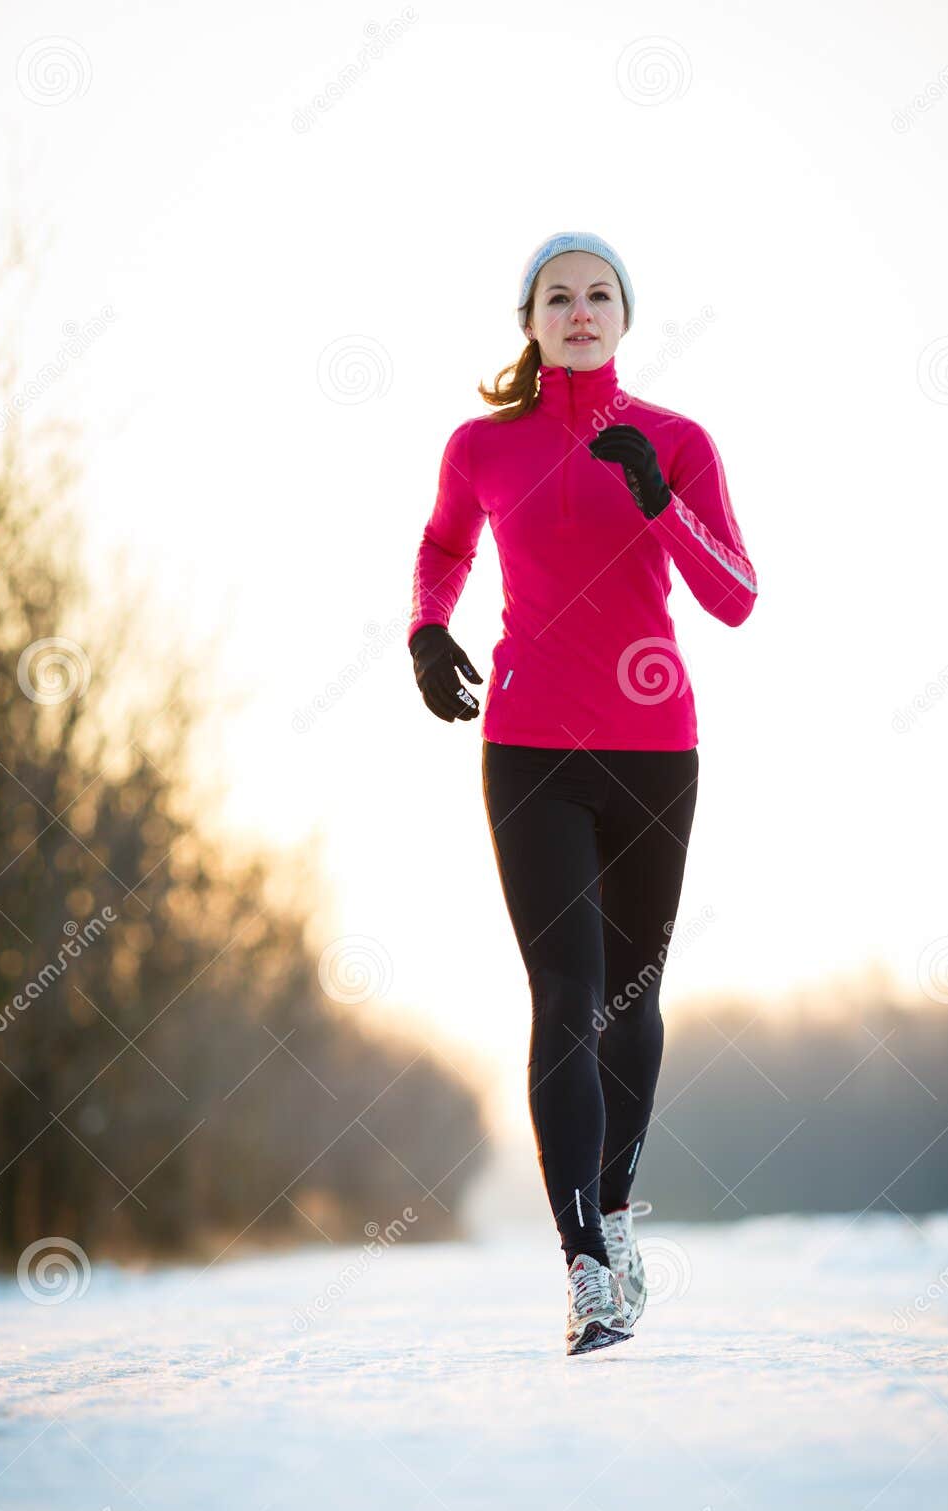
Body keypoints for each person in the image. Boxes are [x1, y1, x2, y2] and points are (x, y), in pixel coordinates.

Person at [407, 231, 758, 1354]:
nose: (578, 310)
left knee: (628, 995)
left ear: (623, 316)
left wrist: (658, 499)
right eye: (556, 296)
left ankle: (611, 1211)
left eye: (598, 294)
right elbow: (443, 547)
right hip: (529, 747)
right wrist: (425, 629)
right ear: (530, 321)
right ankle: (584, 1269)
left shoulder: (676, 441)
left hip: (653, 745)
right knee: (565, 990)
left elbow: (735, 595)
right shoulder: (482, 446)